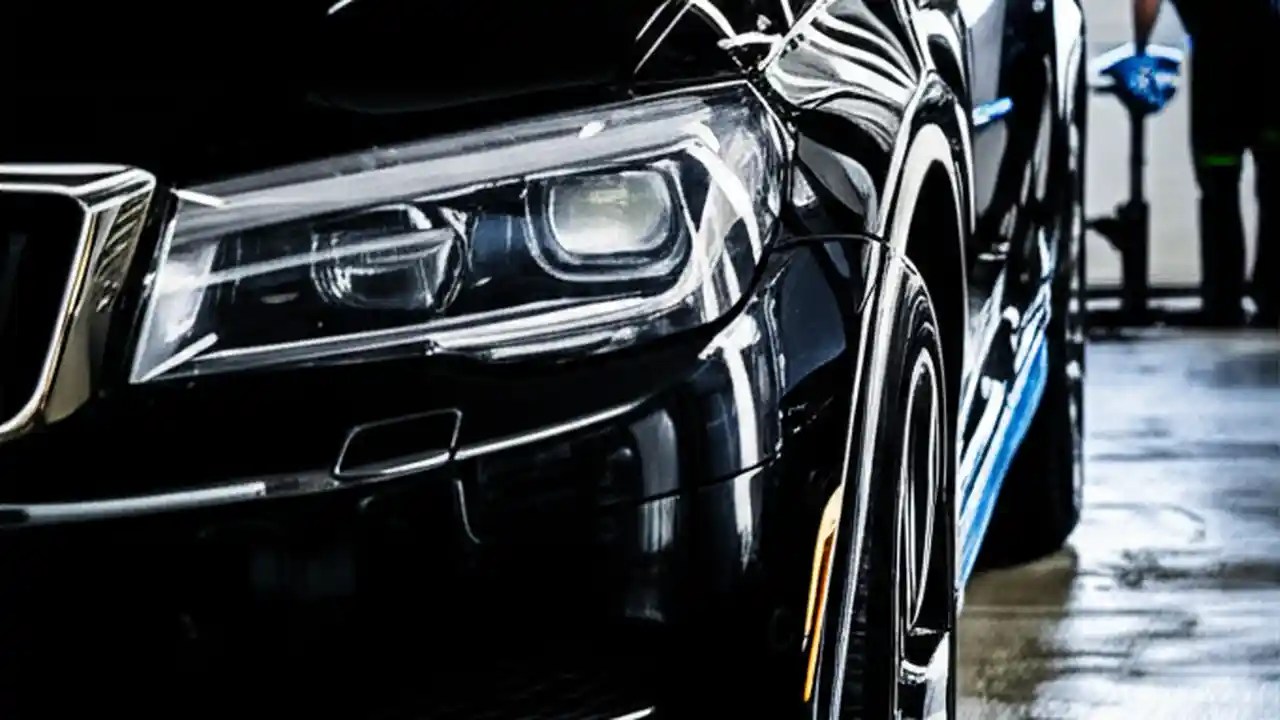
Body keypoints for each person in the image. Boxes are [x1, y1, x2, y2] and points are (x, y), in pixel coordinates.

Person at [1133, 0, 1280, 327]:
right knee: (1273, 187)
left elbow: (1146, 2)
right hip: (1271, 59)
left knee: (1218, 188)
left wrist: (1140, 51)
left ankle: (1224, 301)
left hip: (1220, 66)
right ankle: (1272, 298)